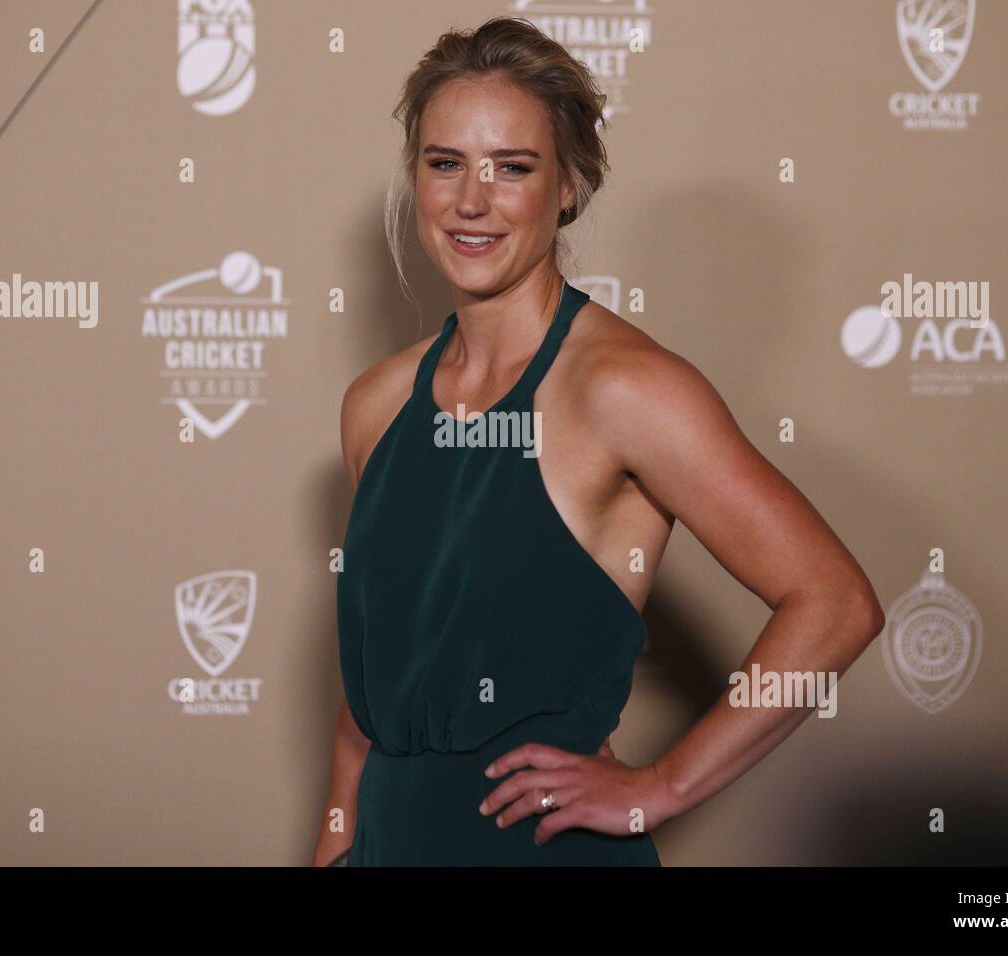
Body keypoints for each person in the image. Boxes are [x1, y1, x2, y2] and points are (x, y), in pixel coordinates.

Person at [313, 16, 884, 866]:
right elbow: (366, 721)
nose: (473, 200)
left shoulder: (627, 389)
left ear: (571, 183)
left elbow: (837, 604)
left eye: (514, 167)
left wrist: (664, 785)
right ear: (416, 177)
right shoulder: (376, 405)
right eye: (446, 164)